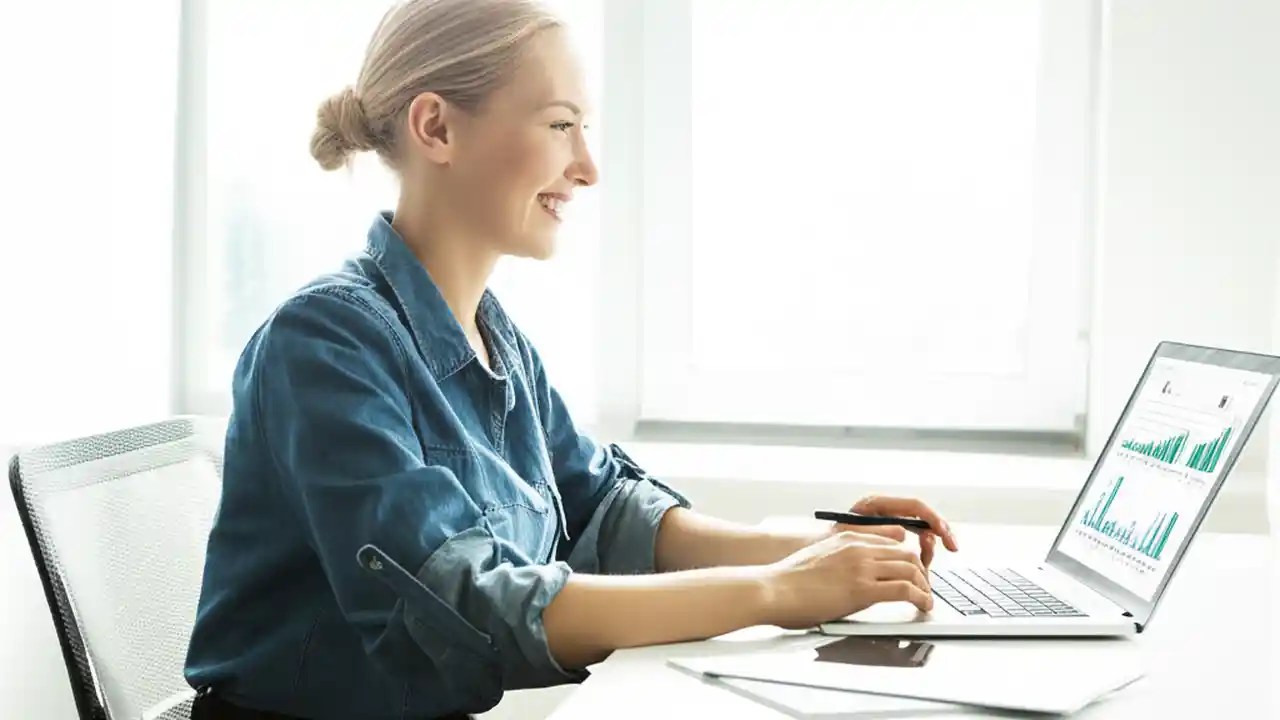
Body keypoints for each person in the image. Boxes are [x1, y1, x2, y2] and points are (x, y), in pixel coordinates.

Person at [182, 1, 960, 718]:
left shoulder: (497, 340)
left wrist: (827, 550)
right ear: (437, 129)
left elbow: (602, 513)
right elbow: (469, 605)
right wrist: (774, 590)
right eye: (560, 126)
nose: (588, 166)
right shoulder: (321, 347)